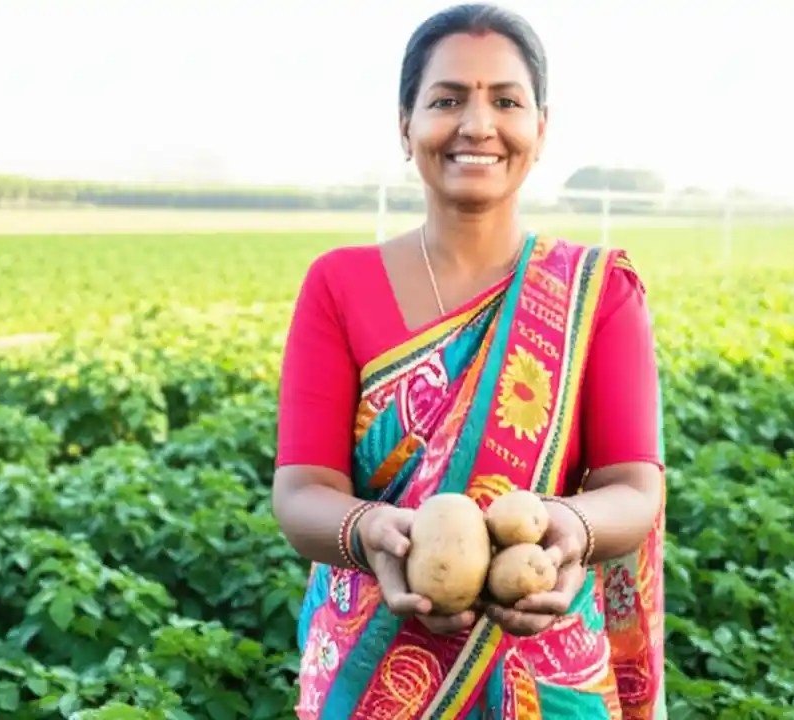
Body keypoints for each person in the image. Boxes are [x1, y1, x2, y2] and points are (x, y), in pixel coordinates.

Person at [271, 4, 667, 718]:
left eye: (506, 101)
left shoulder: (597, 292)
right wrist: (368, 534)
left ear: (540, 130)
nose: (477, 125)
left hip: (547, 677)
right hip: (372, 671)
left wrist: (569, 529)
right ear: (405, 126)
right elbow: (301, 489)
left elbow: (633, 486)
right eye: (448, 100)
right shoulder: (338, 285)